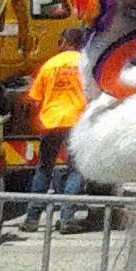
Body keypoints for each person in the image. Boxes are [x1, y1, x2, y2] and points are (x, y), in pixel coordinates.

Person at [24, 42, 88, 230]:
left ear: (62, 43)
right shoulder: (86, 64)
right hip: (76, 121)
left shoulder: (50, 64)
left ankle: (32, 219)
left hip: (51, 120)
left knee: (44, 168)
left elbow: (35, 98)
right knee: (77, 169)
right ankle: (66, 218)